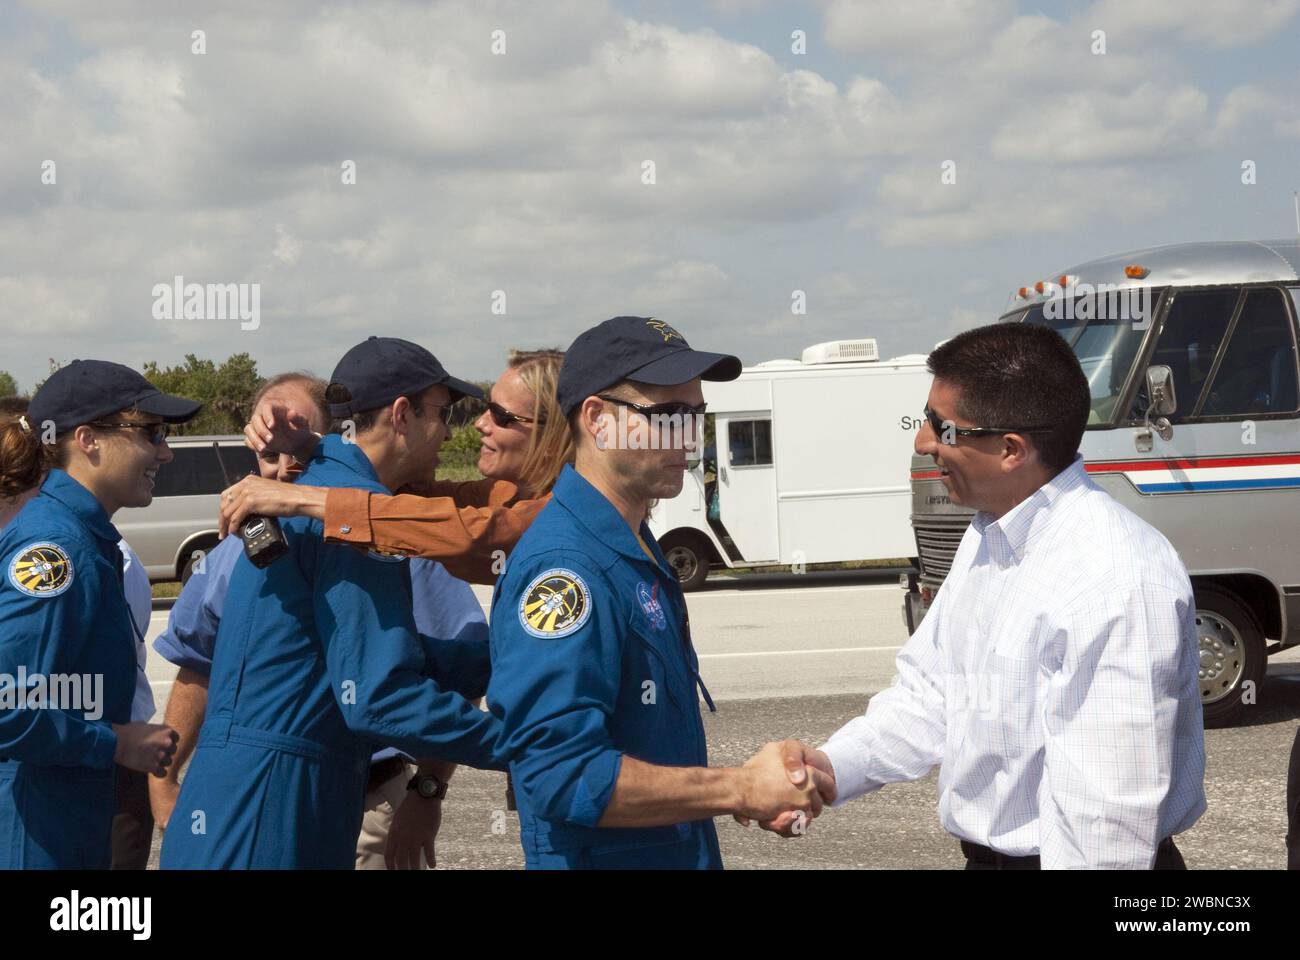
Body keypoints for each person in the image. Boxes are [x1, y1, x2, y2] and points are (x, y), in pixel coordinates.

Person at [762, 323, 1206, 869]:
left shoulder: (1114, 578)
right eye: (927, 420)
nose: (924, 441)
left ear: (1010, 450)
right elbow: (932, 692)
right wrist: (832, 768)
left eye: (943, 429)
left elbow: (1106, 826)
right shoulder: (991, 532)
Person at [486, 316, 836, 870]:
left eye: (695, 416)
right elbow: (561, 773)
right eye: (669, 416)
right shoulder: (566, 570)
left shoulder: (632, 541)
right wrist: (738, 788)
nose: (691, 439)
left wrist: (752, 788)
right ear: (598, 420)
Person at [159, 338, 505, 869]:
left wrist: (489, 661)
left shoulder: (321, 489)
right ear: (401, 414)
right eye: (443, 413)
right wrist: (519, 744)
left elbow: (335, 653)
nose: (450, 432)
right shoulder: (352, 518)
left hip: (250, 795)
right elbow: (378, 695)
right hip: (274, 808)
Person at [0, 361, 188, 868]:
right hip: (34, 838)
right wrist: (114, 742)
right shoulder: (58, 549)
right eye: (150, 432)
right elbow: (6, 706)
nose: (165, 452)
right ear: (88, 440)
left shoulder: (83, 538)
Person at [216, 349, 570, 583]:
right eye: (442, 413)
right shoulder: (507, 493)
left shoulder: (574, 506)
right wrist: (305, 448)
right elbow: (411, 500)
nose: (479, 423)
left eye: (501, 415)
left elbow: (473, 533)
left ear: (555, 430)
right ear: (401, 415)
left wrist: (308, 499)